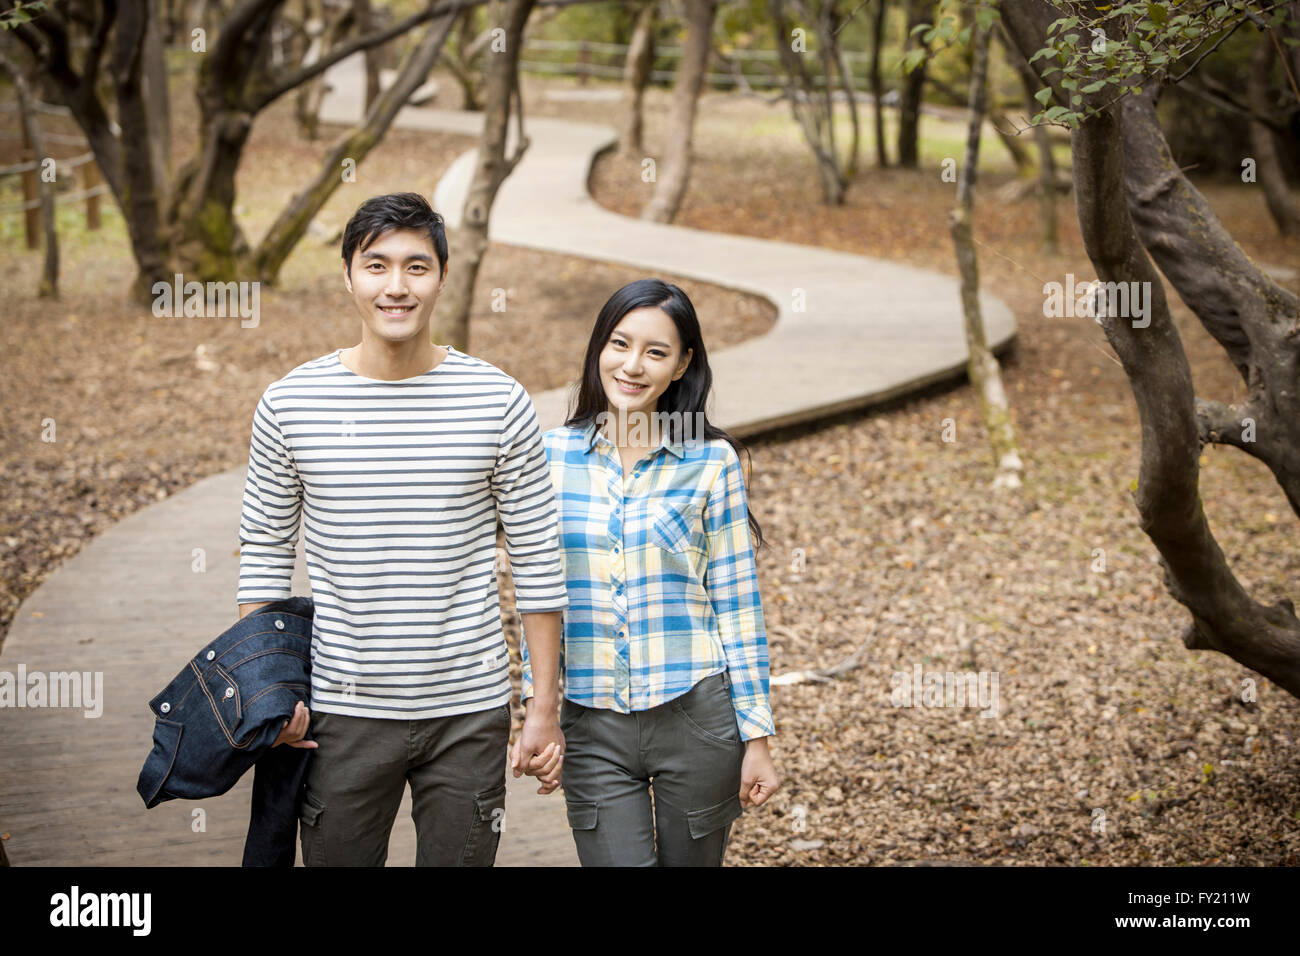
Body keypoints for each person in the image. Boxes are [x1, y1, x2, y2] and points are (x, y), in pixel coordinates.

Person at [236, 192, 566, 866]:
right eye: (376, 265)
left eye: (416, 267)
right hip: (340, 712)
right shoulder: (291, 404)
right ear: (349, 277)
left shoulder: (498, 401)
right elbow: (265, 553)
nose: (396, 286)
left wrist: (543, 705)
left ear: (442, 277)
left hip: (468, 714)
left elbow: (538, 558)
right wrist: (269, 694)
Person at [520, 278, 780, 866]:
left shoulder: (711, 462)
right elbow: (534, 596)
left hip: (697, 714)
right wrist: (538, 706)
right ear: (599, 349)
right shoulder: (547, 456)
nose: (632, 365)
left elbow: (738, 608)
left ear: (683, 363)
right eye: (619, 343)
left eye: (656, 351)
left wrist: (757, 738)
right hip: (592, 724)